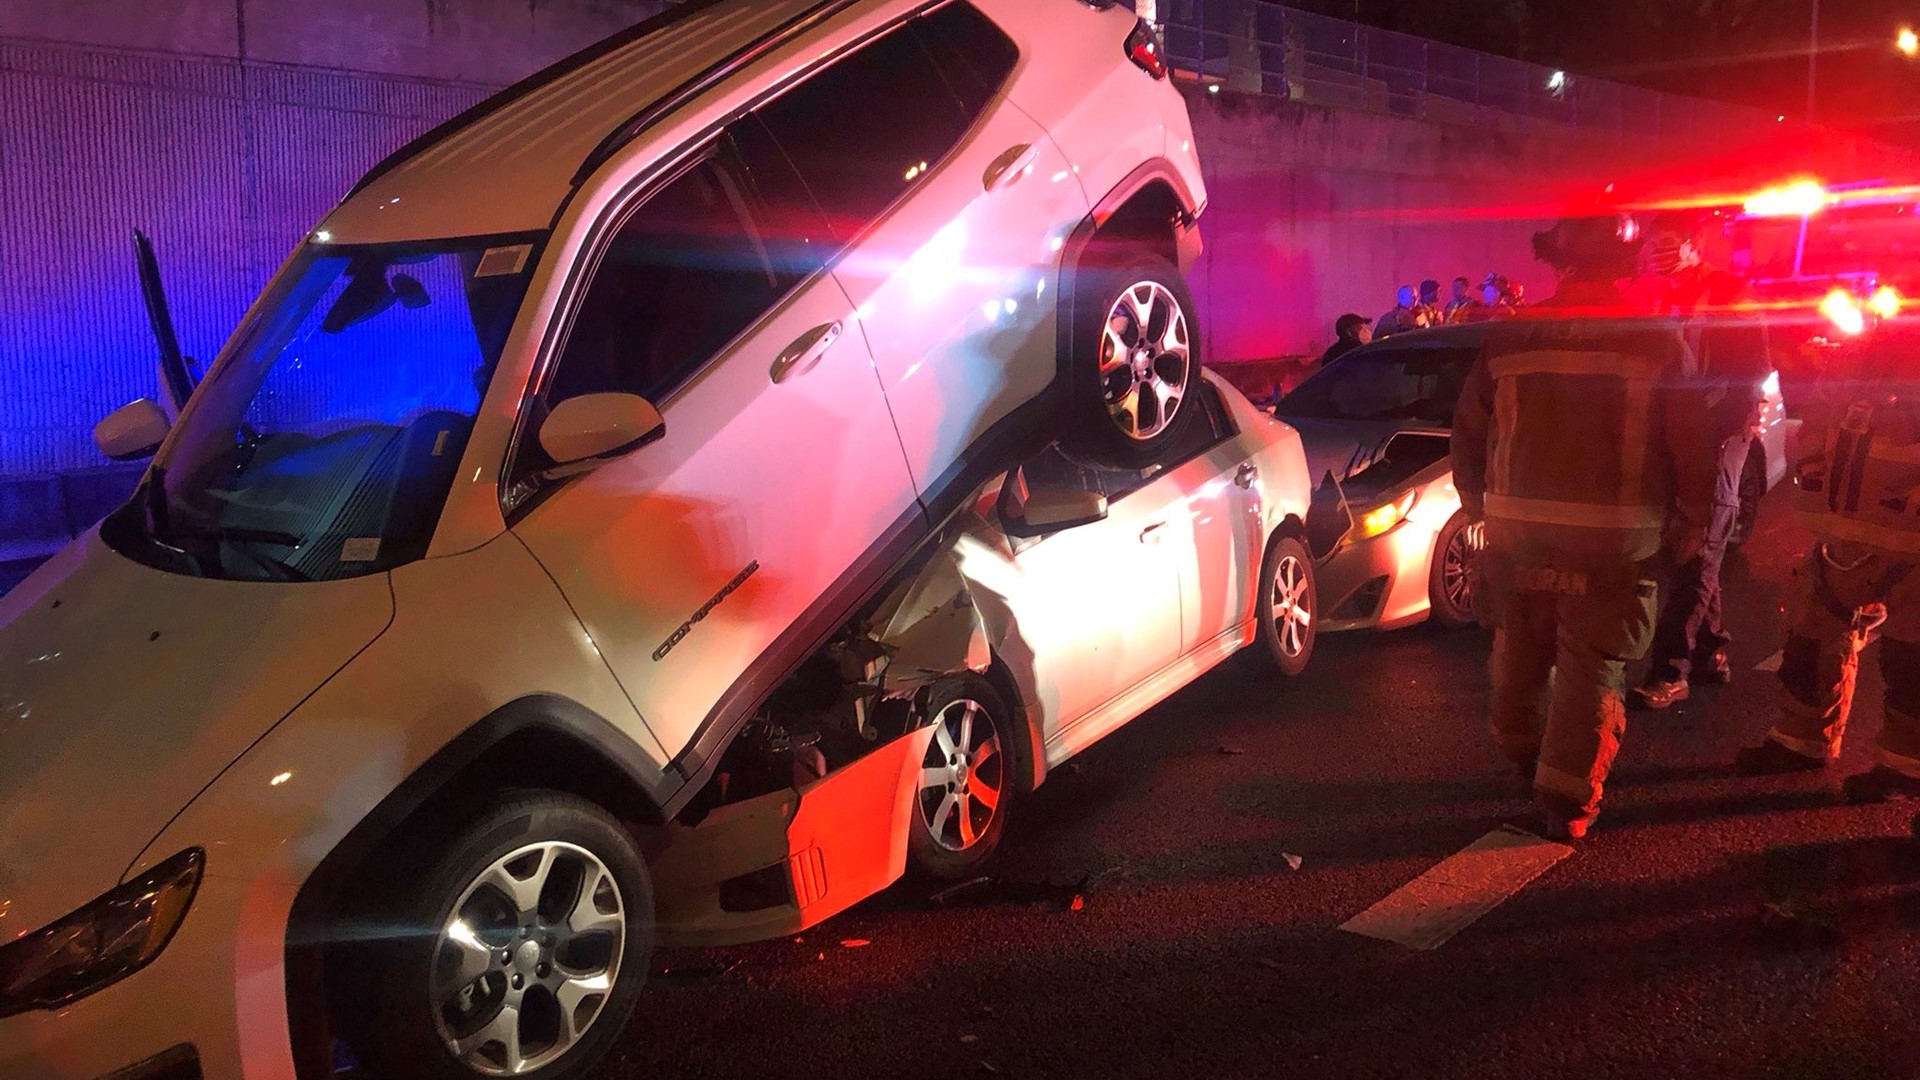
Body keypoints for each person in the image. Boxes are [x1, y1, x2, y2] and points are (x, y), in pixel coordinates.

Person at [1452, 211, 1718, 840]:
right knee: (1590, 667)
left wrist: (1475, 504)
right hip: (1614, 547)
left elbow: (1469, 430)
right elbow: (1692, 443)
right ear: (1628, 268)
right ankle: (1565, 802)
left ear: (1559, 264)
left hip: (1518, 538)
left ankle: (1521, 752)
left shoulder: (1509, 337)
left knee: (1518, 650)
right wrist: (1695, 520)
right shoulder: (1655, 340)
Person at [1732, 318, 1920, 803]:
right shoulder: (1863, 355)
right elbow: (1819, 415)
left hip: (1912, 542)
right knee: (1810, 638)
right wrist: (1813, 471)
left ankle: (1906, 768)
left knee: (1910, 661)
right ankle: (1800, 741)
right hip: (1841, 536)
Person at [1627, 213, 1773, 709]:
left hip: (1718, 431)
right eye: (1652, 245)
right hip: (1668, 431)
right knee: (1692, 546)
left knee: (1699, 543)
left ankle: (1672, 669)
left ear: (1692, 246)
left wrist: (1726, 428)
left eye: (1668, 244)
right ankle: (1712, 651)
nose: (1658, 254)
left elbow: (1753, 367)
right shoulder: (1643, 294)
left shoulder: (1728, 291)